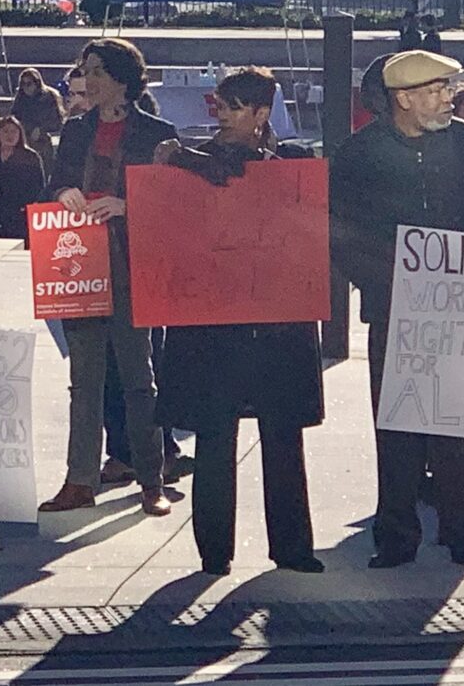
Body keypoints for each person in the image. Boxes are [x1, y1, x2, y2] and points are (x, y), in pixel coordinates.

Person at [331, 49, 464, 572]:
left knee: (462, 428)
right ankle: (396, 535)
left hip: (459, 307)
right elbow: (340, 232)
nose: (448, 98)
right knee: (399, 427)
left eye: (448, 88)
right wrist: (386, 283)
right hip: (394, 311)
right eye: (435, 90)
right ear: (403, 99)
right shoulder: (360, 154)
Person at [155, 68, 324, 577]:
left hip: (277, 327)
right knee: (214, 435)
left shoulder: (293, 162)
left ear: (260, 114)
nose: (220, 116)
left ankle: (292, 548)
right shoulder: (188, 160)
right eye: (219, 105)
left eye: (231, 107)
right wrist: (175, 163)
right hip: (215, 325)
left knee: (283, 437)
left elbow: (263, 183)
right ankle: (213, 551)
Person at [39, 38, 178, 518]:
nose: (87, 79)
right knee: (85, 379)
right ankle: (79, 480)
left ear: (122, 77)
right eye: (85, 70)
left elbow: (171, 202)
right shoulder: (75, 130)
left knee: (140, 377)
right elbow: (52, 181)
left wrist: (127, 205)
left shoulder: (157, 132)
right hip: (78, 262)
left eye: (96, 70)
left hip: (131, 262)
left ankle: (151, 480)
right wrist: (64, 194)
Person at [0, 116, 45, 239]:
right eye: (6, 131)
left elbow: (38, 188)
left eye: (14, 131)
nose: (10, 135)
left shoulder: (30, 157)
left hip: (18, 214)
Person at [9, 67, 65, 159]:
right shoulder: (20, 99)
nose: (26, 88)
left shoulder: (49, 97)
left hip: (43, 142)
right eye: (23, 84)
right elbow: (14, 118)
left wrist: (41, 129)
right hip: (24, 141)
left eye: (29, 84)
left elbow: (57, 121)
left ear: (37, 83)